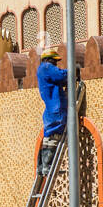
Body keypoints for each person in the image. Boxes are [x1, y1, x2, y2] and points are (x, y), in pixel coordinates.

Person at [37, 47, 69, 175]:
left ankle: (41, 167)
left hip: (50, 109)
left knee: (48, 137)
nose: (56, 64)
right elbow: (60, 75)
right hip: (56, 108)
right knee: (54, 137)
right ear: (48, 60)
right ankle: (47, 166)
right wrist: (73, 71)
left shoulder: (41, 70)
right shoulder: (46, 67)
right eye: (54, 61)